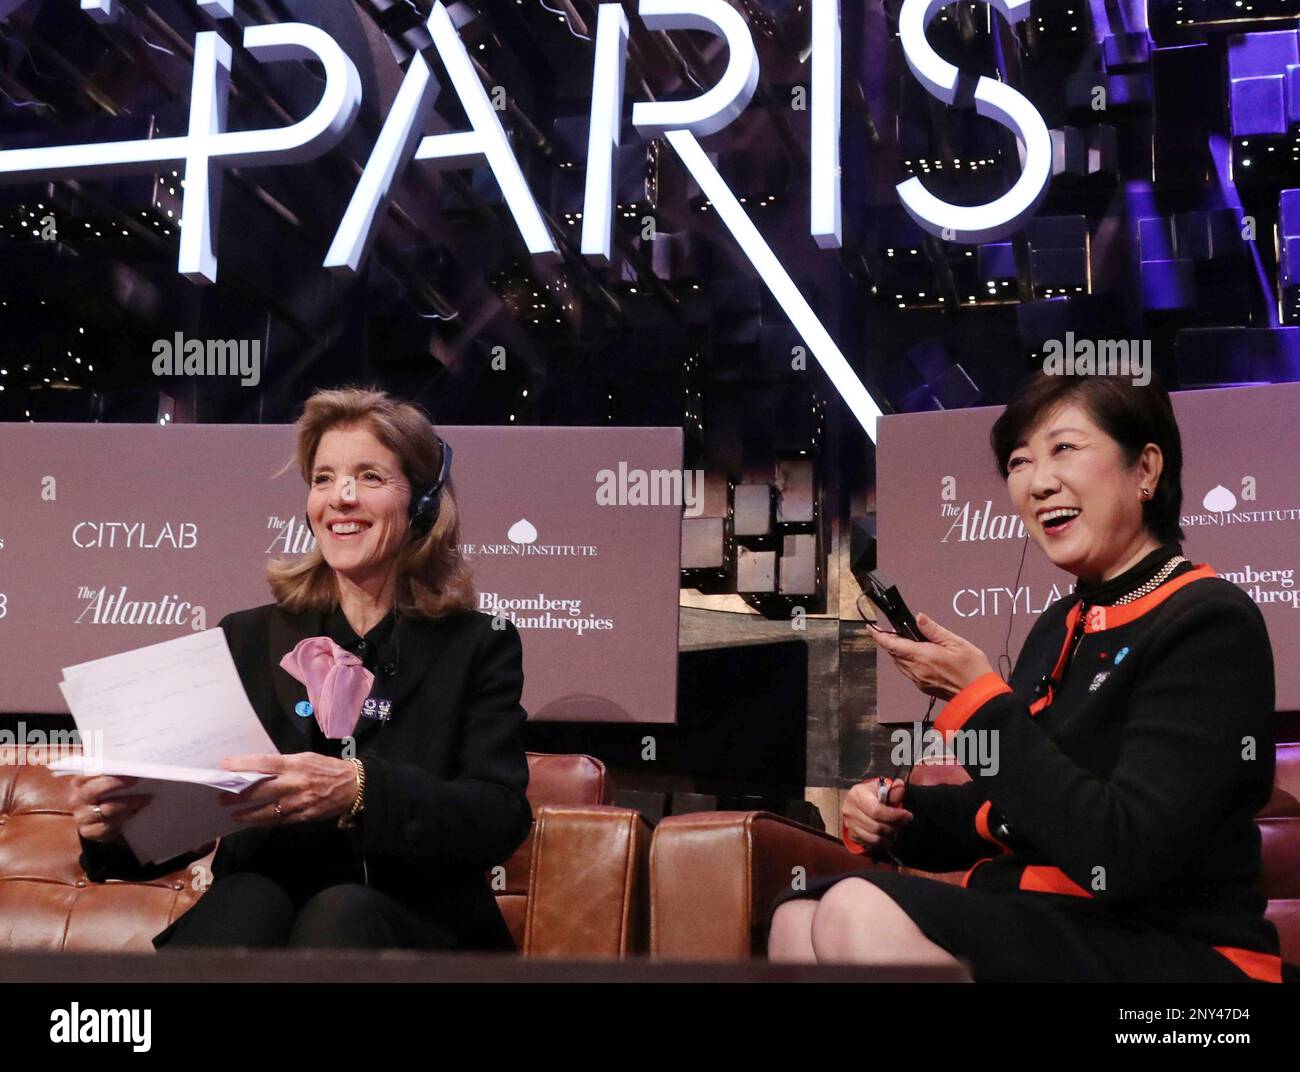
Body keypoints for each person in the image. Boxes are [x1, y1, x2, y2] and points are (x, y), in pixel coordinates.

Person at [769, 371, 1283, 982]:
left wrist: (977, 698)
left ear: (1145, 470)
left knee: (856, 911)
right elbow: (1024, 811)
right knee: (797, 915)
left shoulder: (1208, 622)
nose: (1038, 483)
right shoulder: (1060, 624)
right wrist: (903, 819)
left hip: (1179, 956)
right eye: (1019, 462)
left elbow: (1122, 853)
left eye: (1064, 449)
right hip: (1049, 925)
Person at [70, 386, 532, 951]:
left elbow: (497, 816)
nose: (340, 497)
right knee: (244, 901)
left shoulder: (479, 644)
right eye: (323, 478)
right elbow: (186, 819)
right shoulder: (244, 635)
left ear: (423, 503)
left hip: (413, 920)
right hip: (264, 907)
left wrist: (361, 789)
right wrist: (117, 829)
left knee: (339, 912)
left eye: (369, 477)